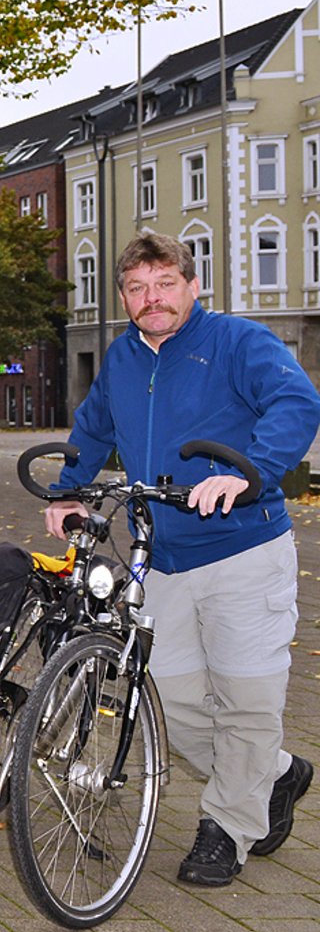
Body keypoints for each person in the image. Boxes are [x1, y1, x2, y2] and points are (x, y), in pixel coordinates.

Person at [43, 231, 320, 886]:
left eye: (165, 284)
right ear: (123, 296)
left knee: (246, 697)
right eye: (137, 288)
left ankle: (227, 827)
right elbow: (94, 428)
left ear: (192, 285)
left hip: (243, 550)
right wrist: (68, 492)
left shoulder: (237, 342)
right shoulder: (122, 357)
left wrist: (249, 470)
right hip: (160, 556)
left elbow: (296, 402)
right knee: (171, 694)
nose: (152, 299)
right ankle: (275, 773)